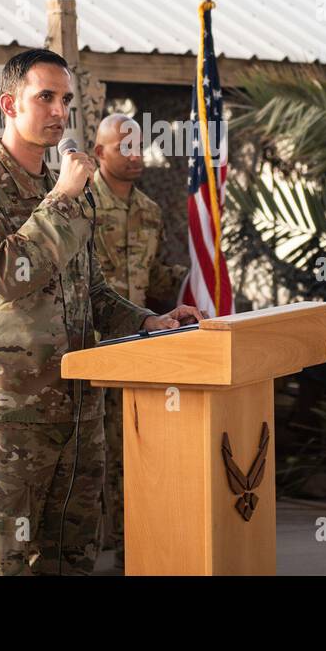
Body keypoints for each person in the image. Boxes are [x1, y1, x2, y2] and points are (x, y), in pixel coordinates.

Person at [0, 49, 203, 575]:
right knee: (1, 563)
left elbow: (93, 291)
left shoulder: (69, 193)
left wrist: (149, 321)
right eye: (45, 98)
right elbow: (5, 278)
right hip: (10, 417)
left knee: (70, 561)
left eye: (65, 100)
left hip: (80, 411)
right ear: (9, 105)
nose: (60, 111)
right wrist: (60, 198)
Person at [90, 113, 190, 569]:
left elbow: (151, 281)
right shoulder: (79, 205)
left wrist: (195, 280)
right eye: (122, 146)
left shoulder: (151, 210)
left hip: (141, 348)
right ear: (98, 153)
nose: (134, 155)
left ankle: (136, 553)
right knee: (95, 457)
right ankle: (91, 551)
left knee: (134, 451)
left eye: (139, 146)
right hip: (89, 351)